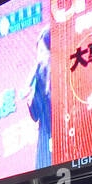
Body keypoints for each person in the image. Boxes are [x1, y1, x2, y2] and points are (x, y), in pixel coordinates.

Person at [28, 30, 51, 169]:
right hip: (44, 133)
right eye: (38, 52)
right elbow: (35, 115)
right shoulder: (38, 76)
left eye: (42, 51)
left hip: (59, 132)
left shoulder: (59, 74)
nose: (39, 57)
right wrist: (30, 98)